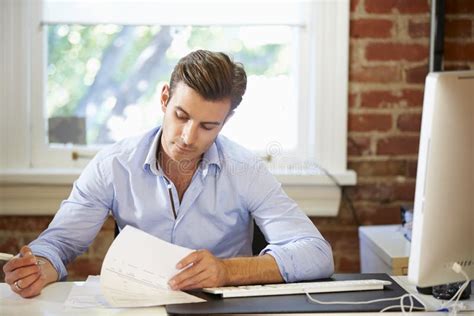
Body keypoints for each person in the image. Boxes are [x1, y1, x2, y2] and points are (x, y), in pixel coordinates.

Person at [3, 50, 334, 298]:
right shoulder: (114, 165)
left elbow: (316, 254)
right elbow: (59, 243)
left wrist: (225, 270)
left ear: (226, 121)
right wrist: (41, 265)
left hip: (223, 307)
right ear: (164, 98)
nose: (189, 137)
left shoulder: (245, 169)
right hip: (141, 306)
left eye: (208, 126)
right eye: (181, 115)